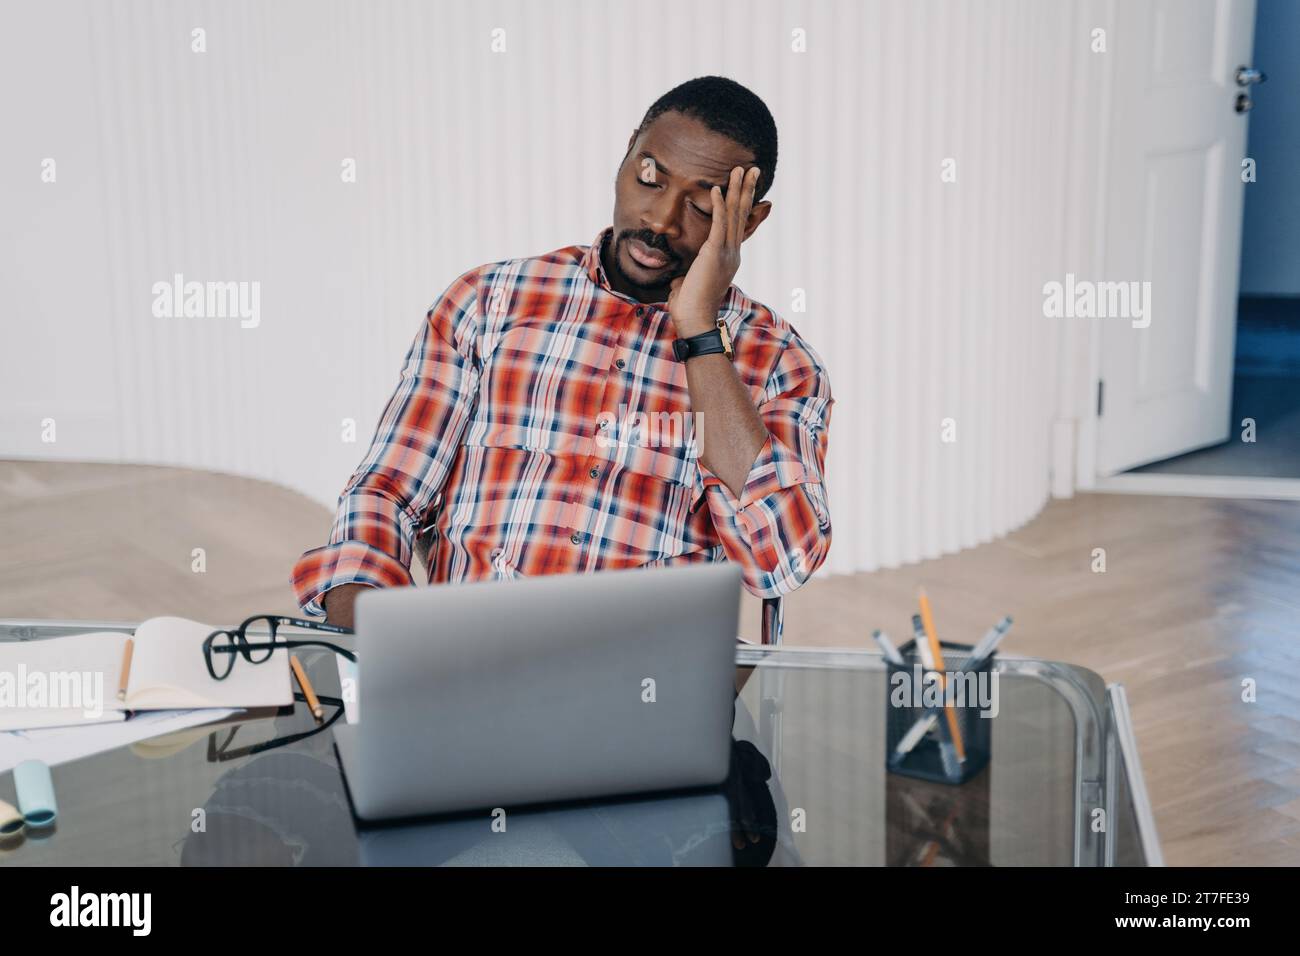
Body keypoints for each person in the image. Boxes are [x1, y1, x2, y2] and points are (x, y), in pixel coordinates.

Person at [291, 75, 833, 631]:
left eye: (700, 207)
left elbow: (781, 562)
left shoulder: (780, 365)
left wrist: (698, 331)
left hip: (643, 698)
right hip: (467, 674)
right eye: (650, 177)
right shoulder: (488, 303)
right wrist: (366, 654)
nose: (660, 221)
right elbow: (387, 495)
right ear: (627, 153)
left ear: (748, 221)